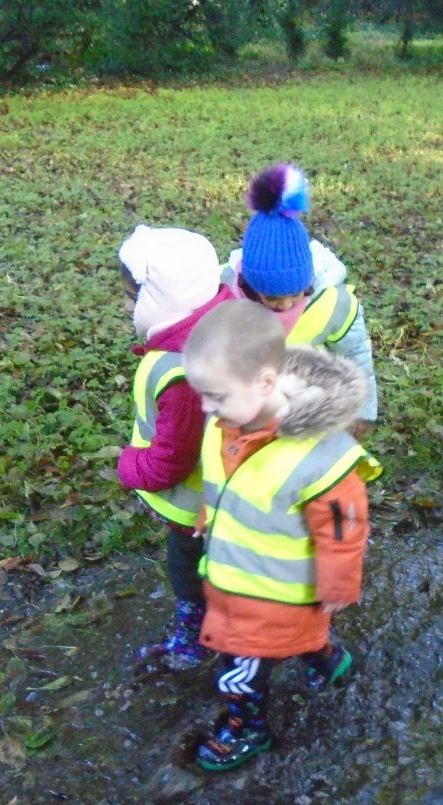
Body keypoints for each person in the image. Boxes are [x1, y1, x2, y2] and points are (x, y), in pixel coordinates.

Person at [182, 299, 382, 771]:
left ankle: (248, 729)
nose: (207, 408)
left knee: (239, 673)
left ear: (266, 383)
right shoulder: (230, 422)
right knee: (305, 637)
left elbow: (342, 528)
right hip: (248, 580)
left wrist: (338, 584)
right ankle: (328, 662)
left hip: (272, 596)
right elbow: (227, 481)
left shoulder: (319, 457)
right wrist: (212, 513)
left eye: (216, 395)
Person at [117, 225, 235, 671]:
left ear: (160, 300)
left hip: (195, 501)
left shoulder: (183, 373)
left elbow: (172, 458)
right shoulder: (215, 325)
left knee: (187, 566)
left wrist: (129, 466)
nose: (126, 307)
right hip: (213, 492)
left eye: (133, 298)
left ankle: (199, 636)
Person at [222, 162, 378, 432]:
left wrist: (361, 410)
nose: (286, 305)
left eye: (296, 293)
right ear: (251, 284)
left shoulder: (333, 304)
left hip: (312, 410)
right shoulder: (226, 298)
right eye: (272, 298)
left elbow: (356, 356)